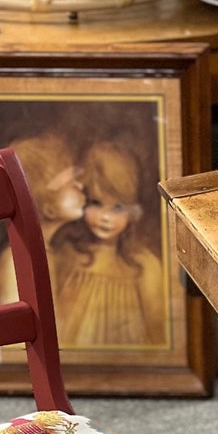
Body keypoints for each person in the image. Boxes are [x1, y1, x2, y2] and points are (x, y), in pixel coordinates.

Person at [52, 141, 167, 350]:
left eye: (117, 207)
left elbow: (158, 334)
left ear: (133, 211)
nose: (105, 217)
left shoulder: (145, 266)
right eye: (96, 204)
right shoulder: (65, 255)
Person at [0, 132, 84, 306]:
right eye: (71, 183)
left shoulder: (45, 252)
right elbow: (19, 330)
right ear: (47, 205)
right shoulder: (16, 263)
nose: (81, 185)